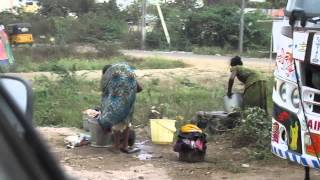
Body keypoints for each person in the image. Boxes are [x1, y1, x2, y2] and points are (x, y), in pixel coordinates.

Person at [99, 63, 142, 153]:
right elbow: (139, 88)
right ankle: (125, 146)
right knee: (127, 124)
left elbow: (105, 95)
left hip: (116, 105)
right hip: (129, 103)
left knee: (116, 124)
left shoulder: (111, 81)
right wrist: (128, 90)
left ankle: (116, 146)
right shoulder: (126, 77)